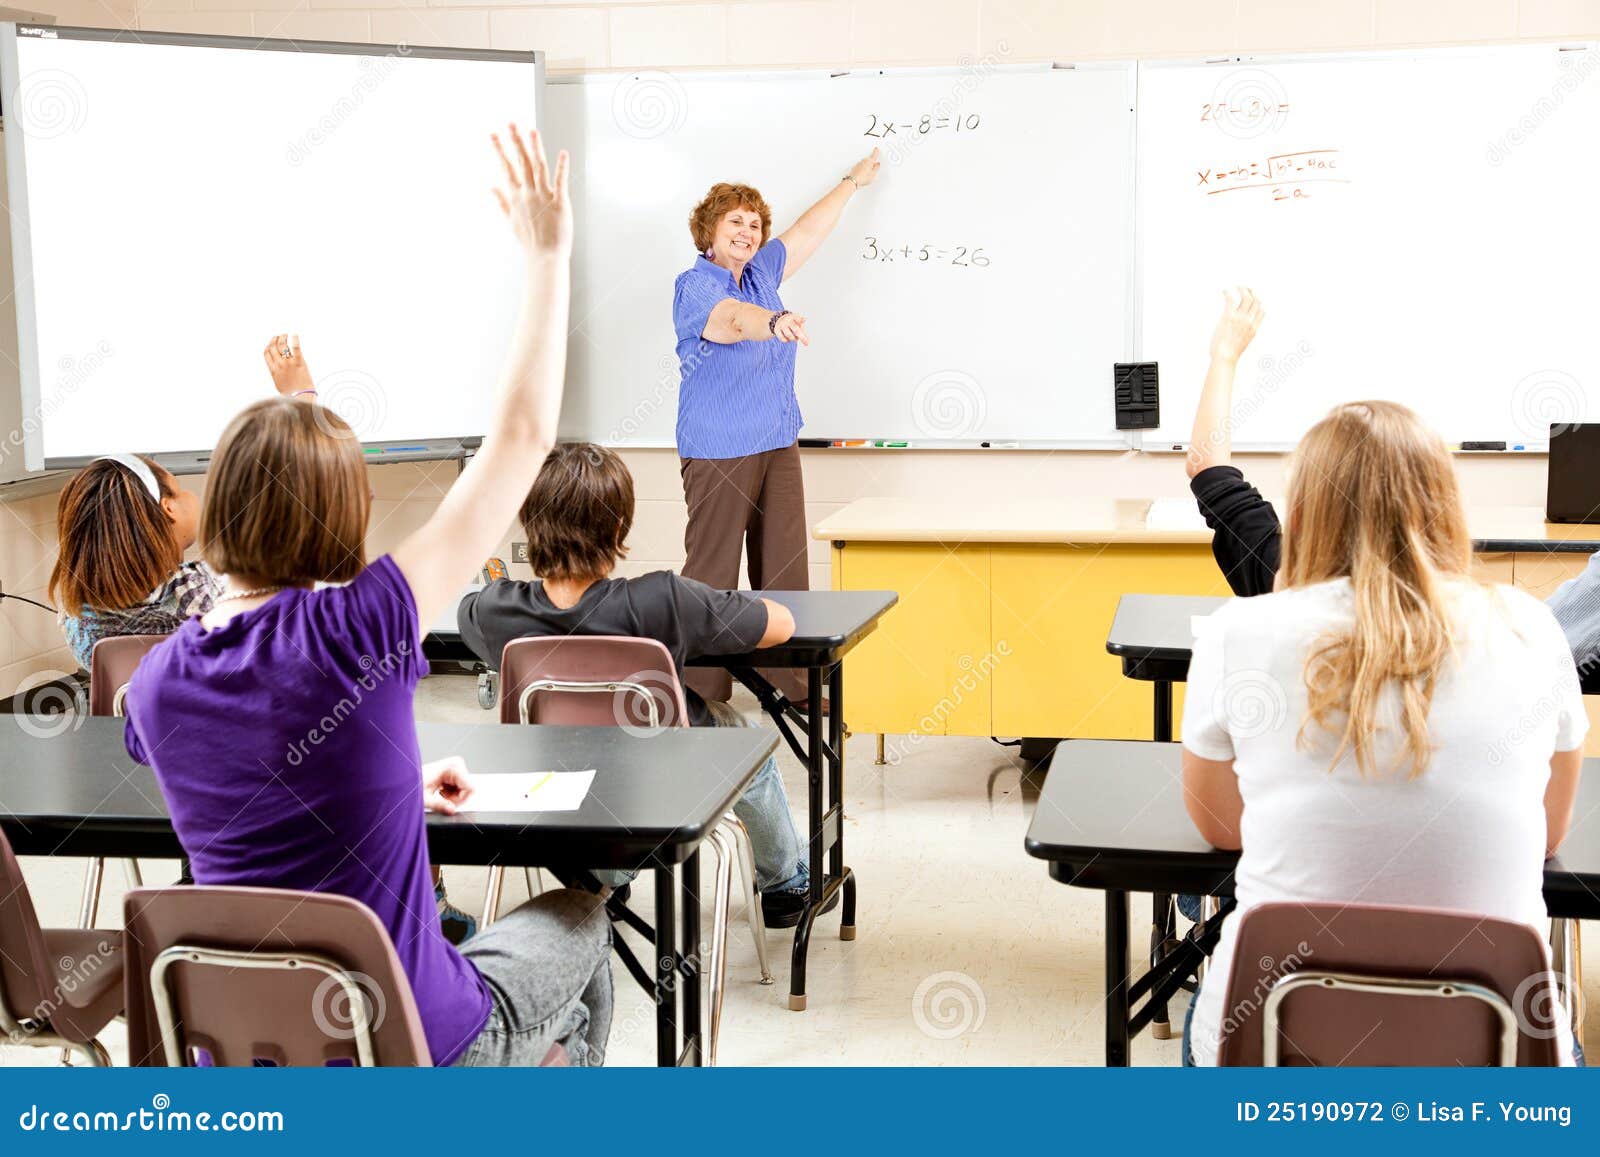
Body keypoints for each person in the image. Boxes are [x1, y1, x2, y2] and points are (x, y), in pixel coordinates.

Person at [124, 126, 613, 1066]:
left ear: (218, 502)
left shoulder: (156, 680)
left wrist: (389, 784)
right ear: (349, 517)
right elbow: (518, 438)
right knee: (581, 919)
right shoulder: (361, 627)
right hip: (416, 1042)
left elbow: (262, 771)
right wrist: (548, 257)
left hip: (252, 1056)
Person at [1179, 399, 1584, 1066]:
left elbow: (1221, 826)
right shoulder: (1531, 627)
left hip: (1274, 1046)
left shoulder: (1237, 631)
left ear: (1301, 514)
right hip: (1502, 1058)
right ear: (1445, 507)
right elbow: (1551, 827)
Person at [457, 441, 835, 929]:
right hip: (663, 784)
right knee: (744, 741)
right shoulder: (665, 601)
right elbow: (779, 625)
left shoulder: (493, 611)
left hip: (553, 784)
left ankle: (601, 877)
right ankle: (786, 885)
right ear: (619, 525)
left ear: (531, 524)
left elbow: (461, 610)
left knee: (598, 764)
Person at [672, 151, 881, 708]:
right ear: (709, 233)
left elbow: (808, 229)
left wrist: (851, 182)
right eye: (734, 221)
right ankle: (698, 694)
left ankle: (792, 685)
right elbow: (732, 321)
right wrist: (774, 322)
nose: (747, 230)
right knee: (713, 574)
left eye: (754, 222)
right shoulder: (695, 286)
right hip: (719, 448)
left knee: (786, 568)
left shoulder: (762, 271)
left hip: (776, 441)